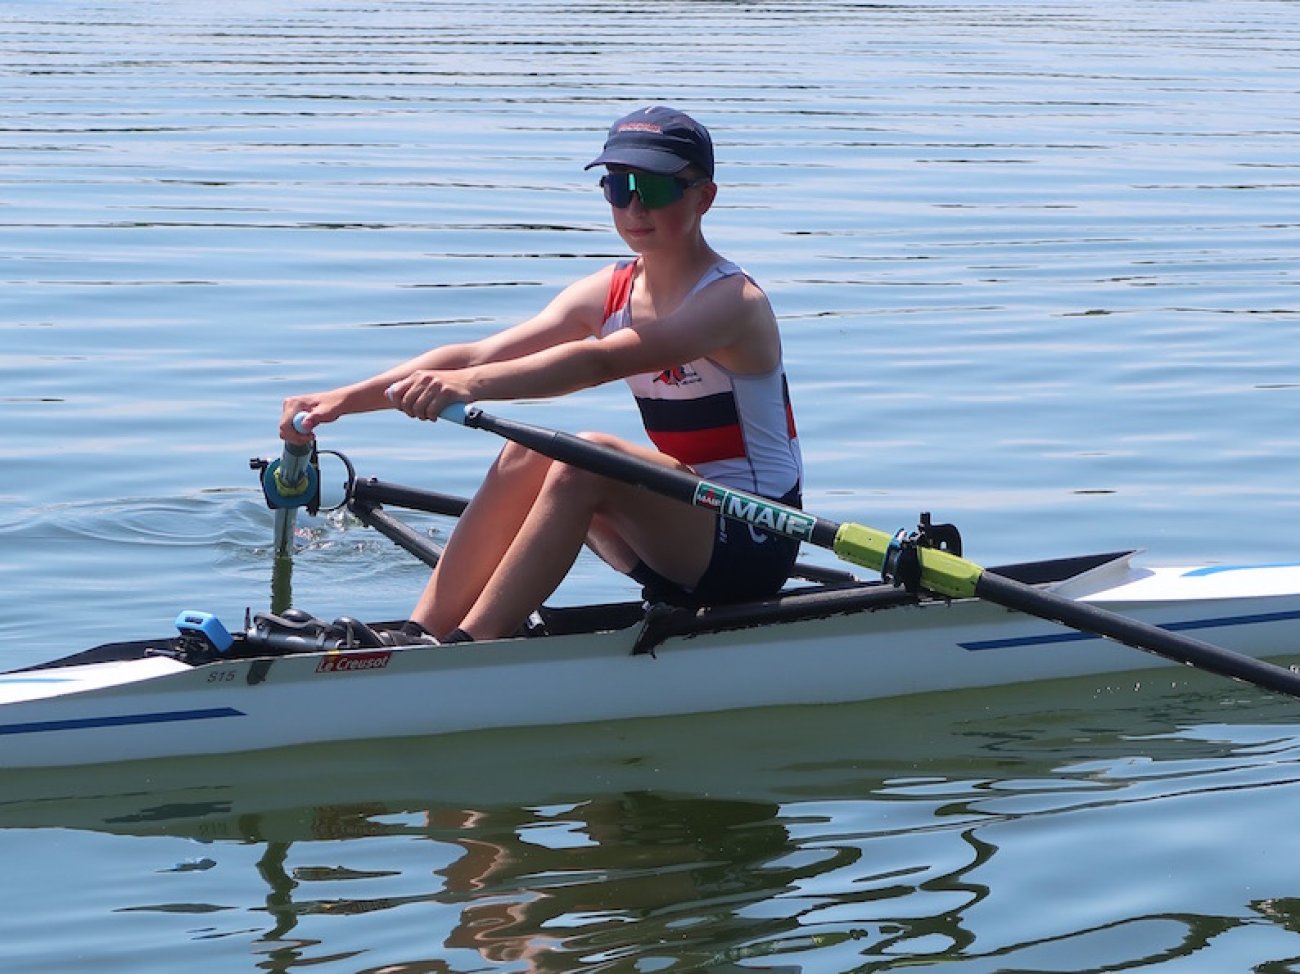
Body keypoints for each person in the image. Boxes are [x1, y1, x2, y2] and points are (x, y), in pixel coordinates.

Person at [279, 106, 803, 643]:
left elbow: (600, 362)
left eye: (656, 188)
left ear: (703, 197)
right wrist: (341, 400)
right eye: (618, 187)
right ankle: (422, 636)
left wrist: (466, 390)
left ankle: (470, 649)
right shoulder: (612, 289)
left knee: (585, 459)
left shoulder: (732, 303)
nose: (635, 205)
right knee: (528, 450)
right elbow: (478, 356)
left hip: (754, 536)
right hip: (678, 528)